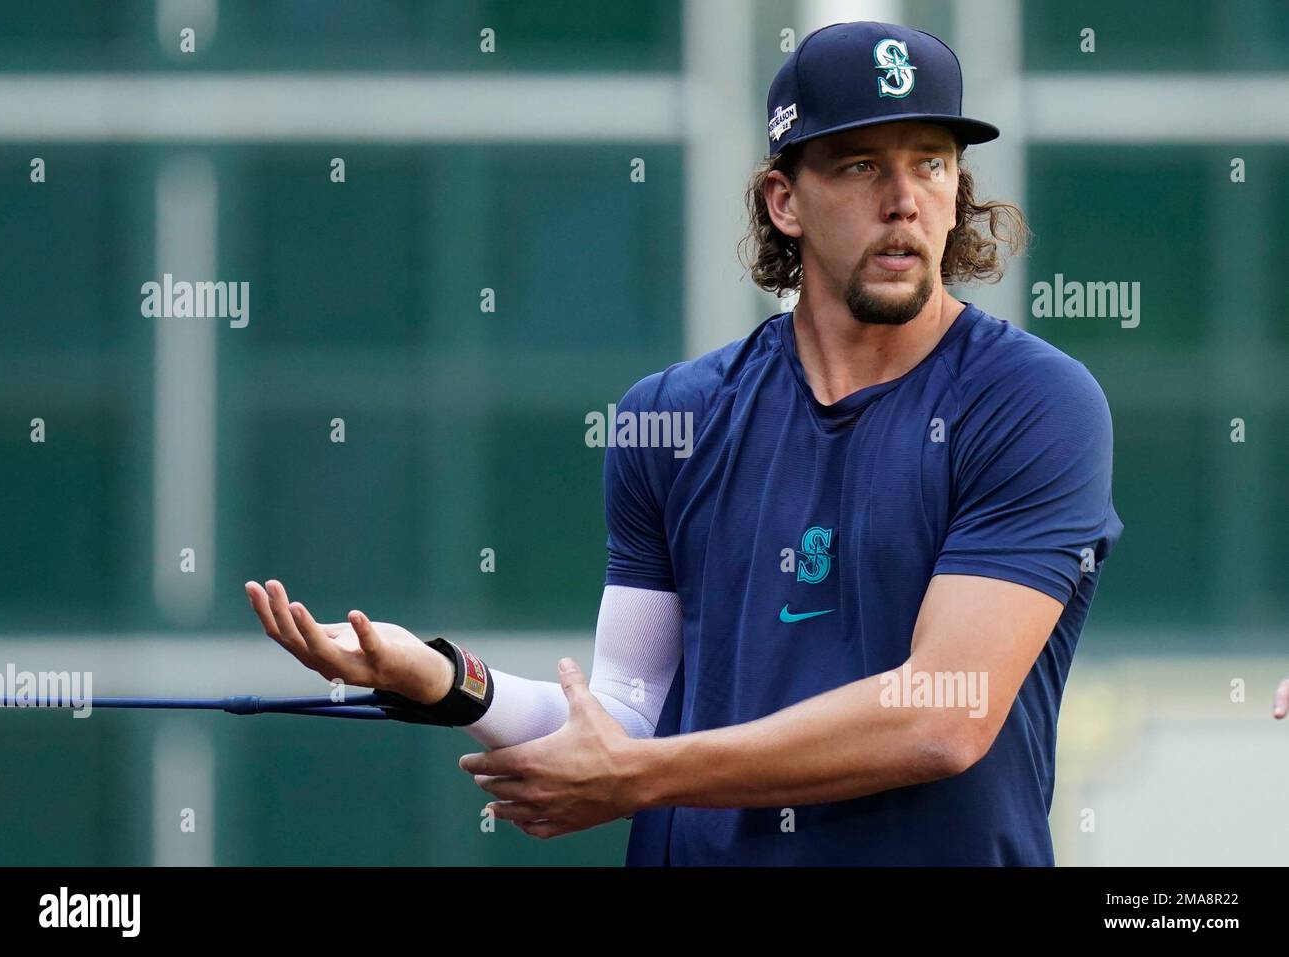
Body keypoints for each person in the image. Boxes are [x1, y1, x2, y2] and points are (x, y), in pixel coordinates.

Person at [245, 21, 1124, 865]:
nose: (904, 201)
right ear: (785, 200)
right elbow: (625, 713)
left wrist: (639, 775)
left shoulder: (1031, 402)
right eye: (860, 165)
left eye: (931, 163)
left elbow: (944, 716)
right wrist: (444, 680)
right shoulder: (671, 418)